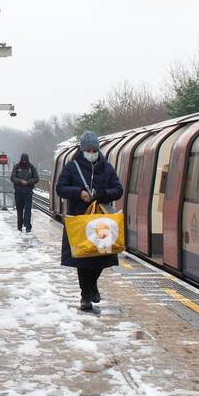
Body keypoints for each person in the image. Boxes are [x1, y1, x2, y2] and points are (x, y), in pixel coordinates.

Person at [57, 131, 124, 312]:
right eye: (89, 149)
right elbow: (60, 188)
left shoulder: (106, 168)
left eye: (95, 150)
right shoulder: (72, 167)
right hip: (80, 220)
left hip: (101, 220)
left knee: (101, 257)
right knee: (83, 259)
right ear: (83, 149)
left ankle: (93, 285)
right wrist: (79, 192)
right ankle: (85, 295)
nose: (92, 152)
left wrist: (102, 194)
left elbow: (118, 190)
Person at [10, 153, 38, 232]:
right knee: (19, 210)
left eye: (25, 160)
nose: (24, 162)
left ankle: (28, 226)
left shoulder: (32, 167)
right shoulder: (16, 167)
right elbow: (12, 178)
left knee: (27, 210)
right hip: (18, 192)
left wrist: (28, 182)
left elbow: (36, 178)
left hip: (28, 192)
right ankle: (19, 226)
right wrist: (20, 181)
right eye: (23, 160)